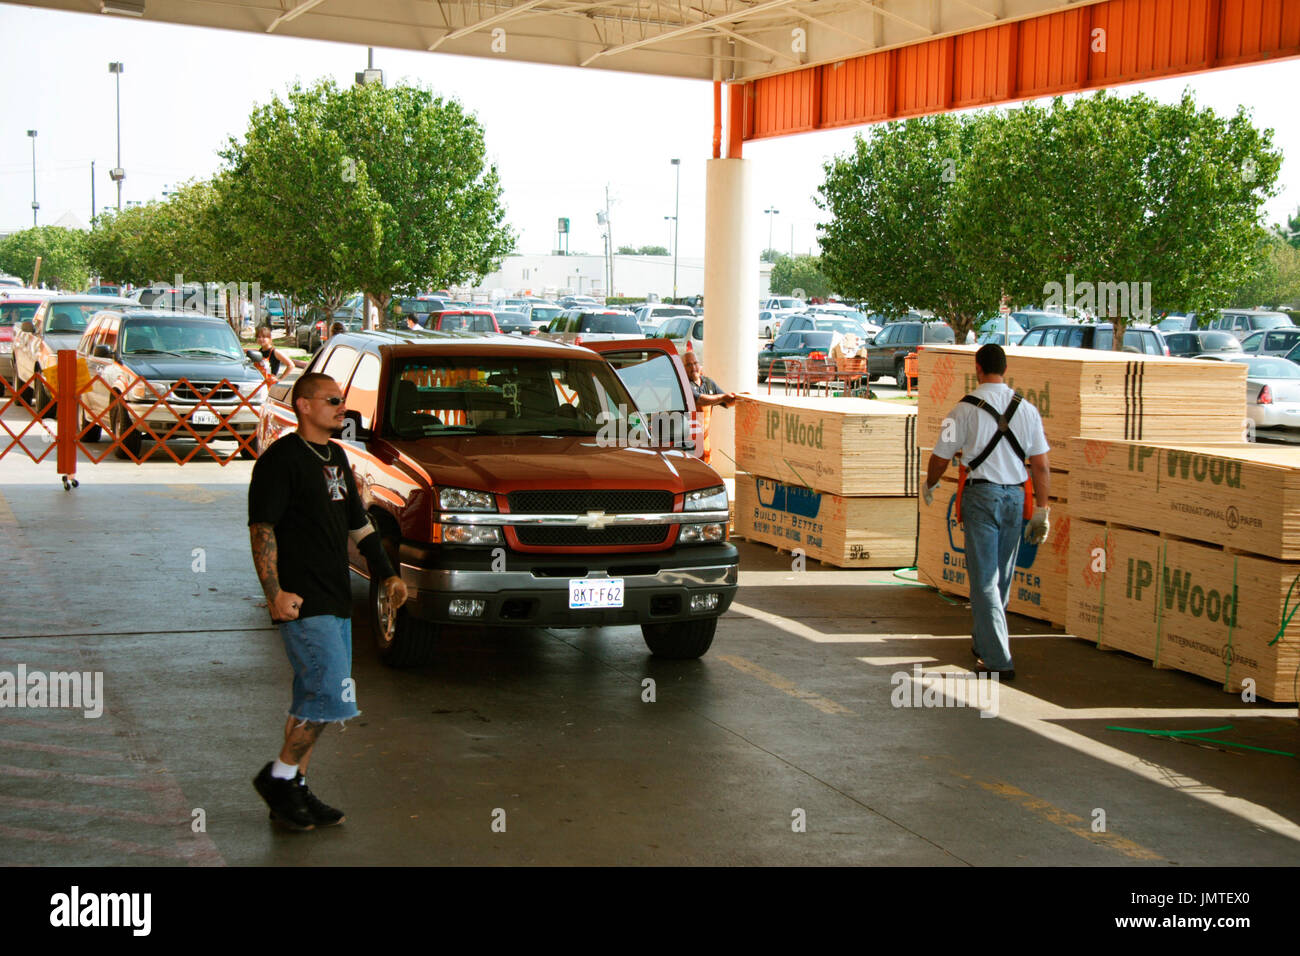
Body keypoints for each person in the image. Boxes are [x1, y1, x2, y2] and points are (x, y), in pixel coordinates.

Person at [247, 372, 409, 830]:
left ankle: (293, 790)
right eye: (333, 400)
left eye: (343, 400)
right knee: (327, 696)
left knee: (309, 699)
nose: (343, 408)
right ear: (302, 405)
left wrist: (389, 574)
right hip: (302, 601)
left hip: (335, 598)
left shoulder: (335, 457)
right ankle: (279, 777)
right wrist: (274, 593)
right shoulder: (281, 461)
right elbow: (263, 530)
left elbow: (359, 526)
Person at [922, 344, 1050, 681]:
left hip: (982, 497)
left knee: (984, 581)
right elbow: (1041, 465)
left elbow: (940, 456)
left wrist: (931, 484)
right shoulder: (1028, 410)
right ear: (1004, 369)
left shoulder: (962, 410)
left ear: (977, 368)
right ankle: (984, 642)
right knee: (1001, 578)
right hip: (1016, 499)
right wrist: (1042, 510)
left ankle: (997, 660)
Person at [682, 350, 736, 465]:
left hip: (704, 447)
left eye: (695, 363)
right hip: (686, 448)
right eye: (688, 364)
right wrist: (722, 397)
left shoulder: (708, 383)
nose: (693, 367)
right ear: (682, 369)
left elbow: (727, 403)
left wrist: (739, 398)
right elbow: (699, 400)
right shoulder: (683, 384)